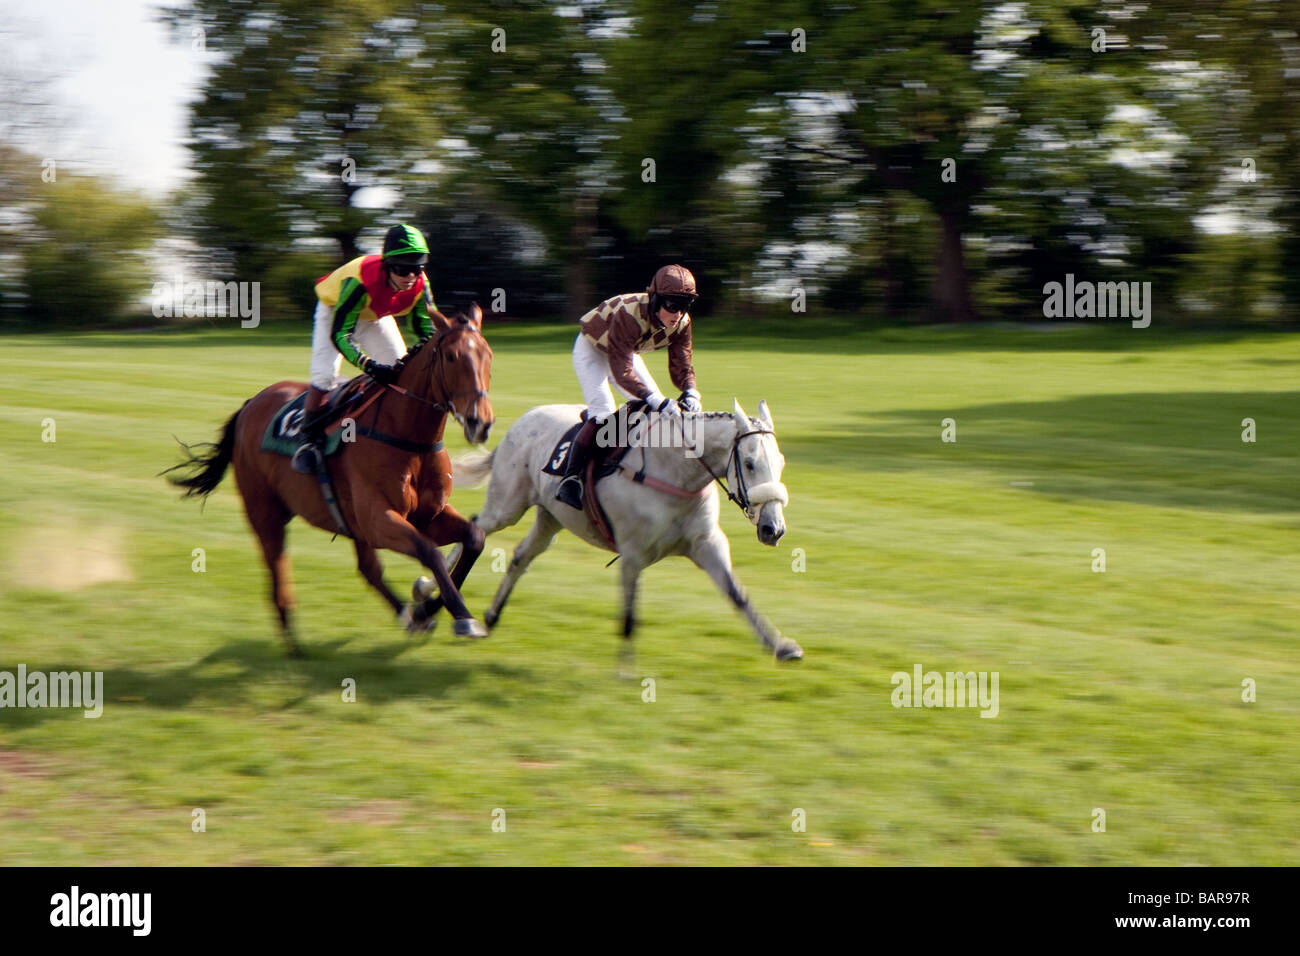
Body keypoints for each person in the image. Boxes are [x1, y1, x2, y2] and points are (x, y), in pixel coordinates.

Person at [291, 224, 449, 472]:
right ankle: (308, 441)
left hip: (376, 315)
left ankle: (394, 436)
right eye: (402, 269)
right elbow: (340, 334)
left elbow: (424, 329)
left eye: (417, 268)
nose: (410, 276)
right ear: (387, 265)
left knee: (400, 373)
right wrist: (369, 365)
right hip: (335, 312)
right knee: (325, 374)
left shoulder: (420, 285)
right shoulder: (360, 281)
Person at [555, 264, 702, 509]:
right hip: (592, 348)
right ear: (655, 299)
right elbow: (621, 372)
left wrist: (691, 391)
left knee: (657, 407)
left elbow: (682, 363)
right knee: (603, 410)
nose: (678, 313)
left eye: (685, 305)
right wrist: (655, 399)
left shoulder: (683, 323)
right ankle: (570, 478)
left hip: (623, 351)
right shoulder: (630, 314)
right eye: (672, 305)